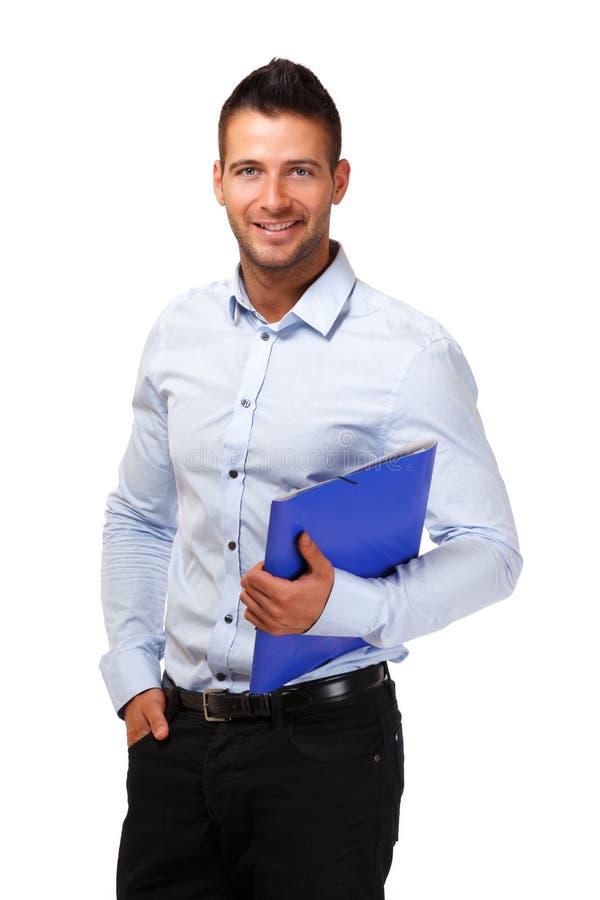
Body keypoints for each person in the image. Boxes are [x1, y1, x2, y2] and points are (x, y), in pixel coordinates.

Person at [100, 58, 522, 900]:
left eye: (299, 171)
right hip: (175, 746)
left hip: (324, 752)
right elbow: (140, 516)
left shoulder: (409, 353)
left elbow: (491, 550)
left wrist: (345, 608)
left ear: (339, 181)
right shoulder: (178, 332)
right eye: (250, 170)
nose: (273, 198)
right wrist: (134, 673)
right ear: (218, 182)